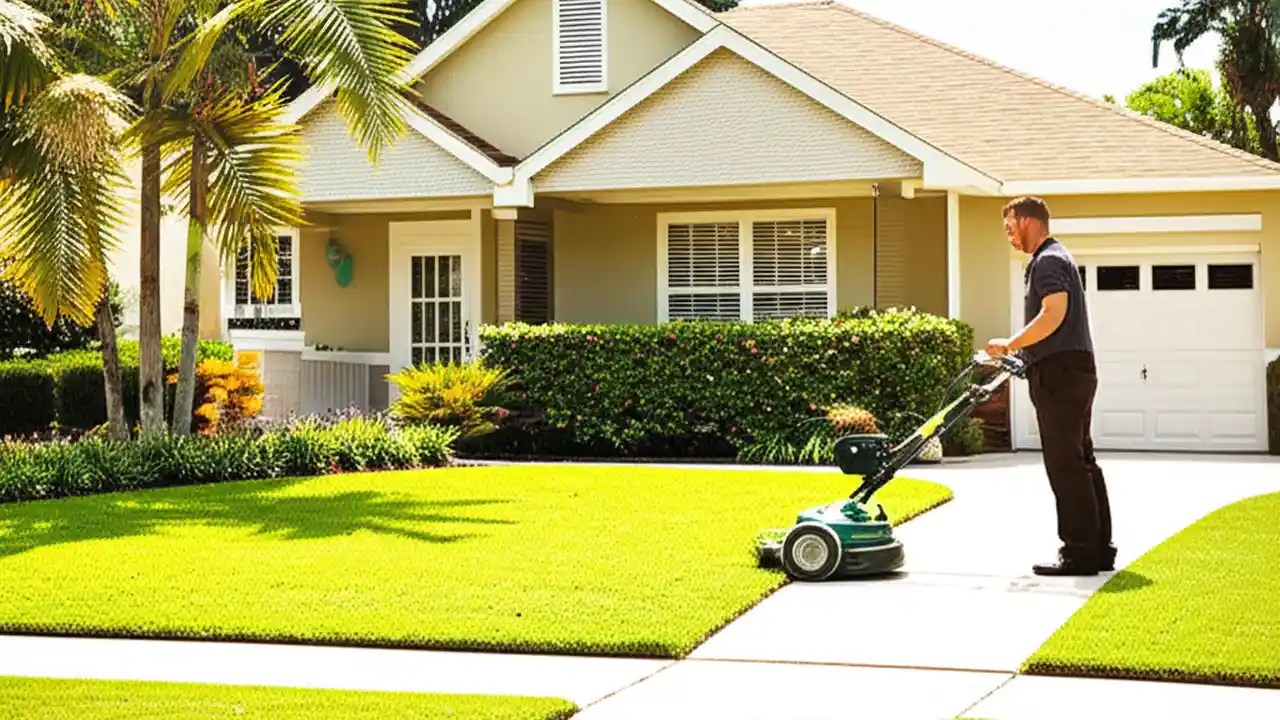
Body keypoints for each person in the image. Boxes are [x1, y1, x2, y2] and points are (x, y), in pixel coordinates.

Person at [985, 197, 1114, 576]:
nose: (1009, 237)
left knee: (1065, 464)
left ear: (1027, 222)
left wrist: (1011, 343)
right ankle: (1098, 548)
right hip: (1071, 370)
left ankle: (1078, 552)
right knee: (1081, 461)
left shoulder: (1049, 261)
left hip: (1060, 375)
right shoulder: (1055, 258)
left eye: (1010, 228)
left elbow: (1053, 313)